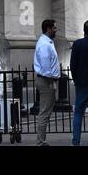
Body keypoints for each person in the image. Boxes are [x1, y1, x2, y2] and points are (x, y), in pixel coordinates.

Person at [33, 18, 60, 147]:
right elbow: (45, 66)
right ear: (48, 29)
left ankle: (41, 141)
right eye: (54, 28)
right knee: (44, 112)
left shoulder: (47, 42)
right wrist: (52, 81)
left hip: (47, 80)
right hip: (46, 80)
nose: (56, 30)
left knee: (46, 111)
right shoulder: (44, 44)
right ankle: (40, 142)